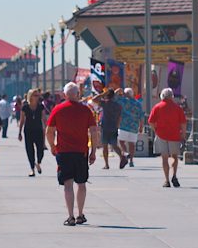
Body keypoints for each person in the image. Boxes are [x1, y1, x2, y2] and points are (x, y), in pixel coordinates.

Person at [45, 82, 98, 226]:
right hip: (81, 152)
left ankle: (70, 216)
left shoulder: (58, 109)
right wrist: (93, 151)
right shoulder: (86, 110)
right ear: (77, 94)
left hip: (64, 151)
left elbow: (49, 131)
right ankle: (80, 214)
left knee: (68, 184)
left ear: (64, 94)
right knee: (81, 183)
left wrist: (52, 146)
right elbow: (94, 131)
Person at [148, 87, 187, 188]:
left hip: (161, 135)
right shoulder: (177, 108)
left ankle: (166, 180)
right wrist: (183, 134)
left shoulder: (157, 107)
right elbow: (183, 122)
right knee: (175, 157)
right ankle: (174, 175)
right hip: (174, 135)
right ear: (172, 96)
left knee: (164, 158)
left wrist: (155, 130)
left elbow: (151, 121)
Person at [18, 88, 47, 177]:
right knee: (29, 150)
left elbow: (44, 119)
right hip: (28, 130)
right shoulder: (25, 107)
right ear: (31, 96)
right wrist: (19, 132)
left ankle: (38, 163)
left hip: (38, 130)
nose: (37, 97)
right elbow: (22, 120)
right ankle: (32, 169)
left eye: (38, 95)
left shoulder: (40, 106)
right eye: (35, 95)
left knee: (40, 149)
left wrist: (46, 129)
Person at [97, 88, 126, 169]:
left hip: (105, 126)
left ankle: (106, 164)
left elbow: (94, 99)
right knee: (114, 145)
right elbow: (120, 117)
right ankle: (122, 157)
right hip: (114, 126)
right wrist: (117, 125)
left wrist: (102, 94)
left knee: (105, 146)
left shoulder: (105, 104)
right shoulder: (118, 106)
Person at [116, 87, 143, 167]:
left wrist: (117, 91)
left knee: (121, 141)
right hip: (134, 126)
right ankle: (131, 160)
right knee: (132, 144)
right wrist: (141, 126)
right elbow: (141, 116)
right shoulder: (138, 103)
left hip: (123, 125)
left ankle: (125, 152)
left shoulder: (123, 101)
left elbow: (114, 98)